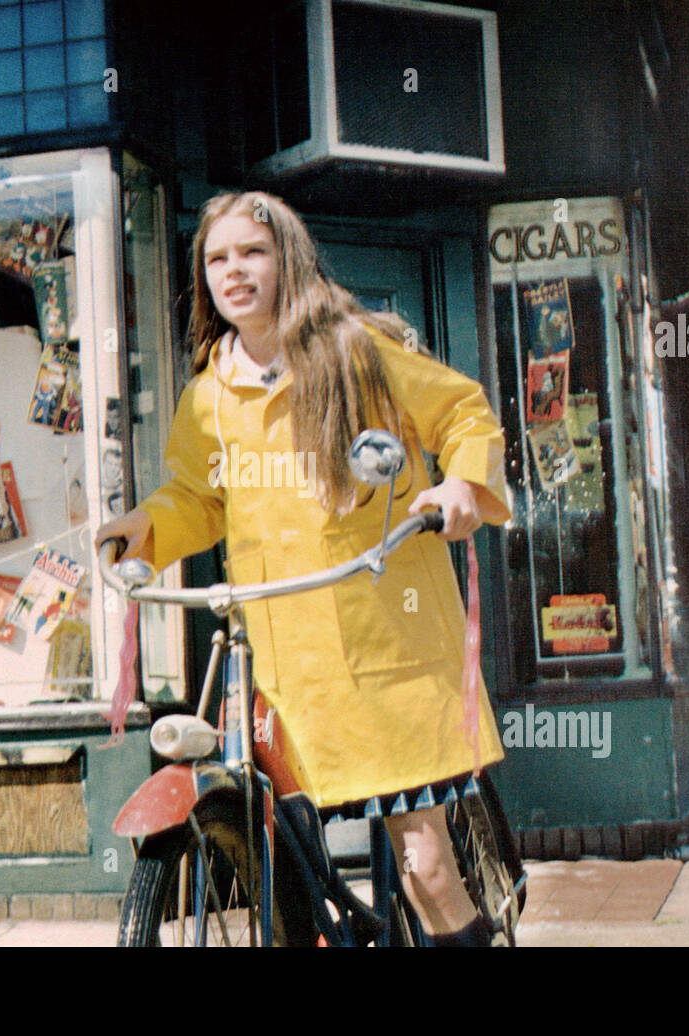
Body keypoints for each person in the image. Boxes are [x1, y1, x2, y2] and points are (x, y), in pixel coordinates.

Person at [95, 190, 512, 946]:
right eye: (217, 259)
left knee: (425, 868)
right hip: (288, 659)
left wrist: (459, 484)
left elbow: (463, 413)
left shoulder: (358, 352)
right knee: (282, 830)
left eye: (251, 252)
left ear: (286, 258)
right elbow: (199, 498)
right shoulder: (207, 396)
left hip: (390, 651)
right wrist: (147, 528)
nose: (234, 272)